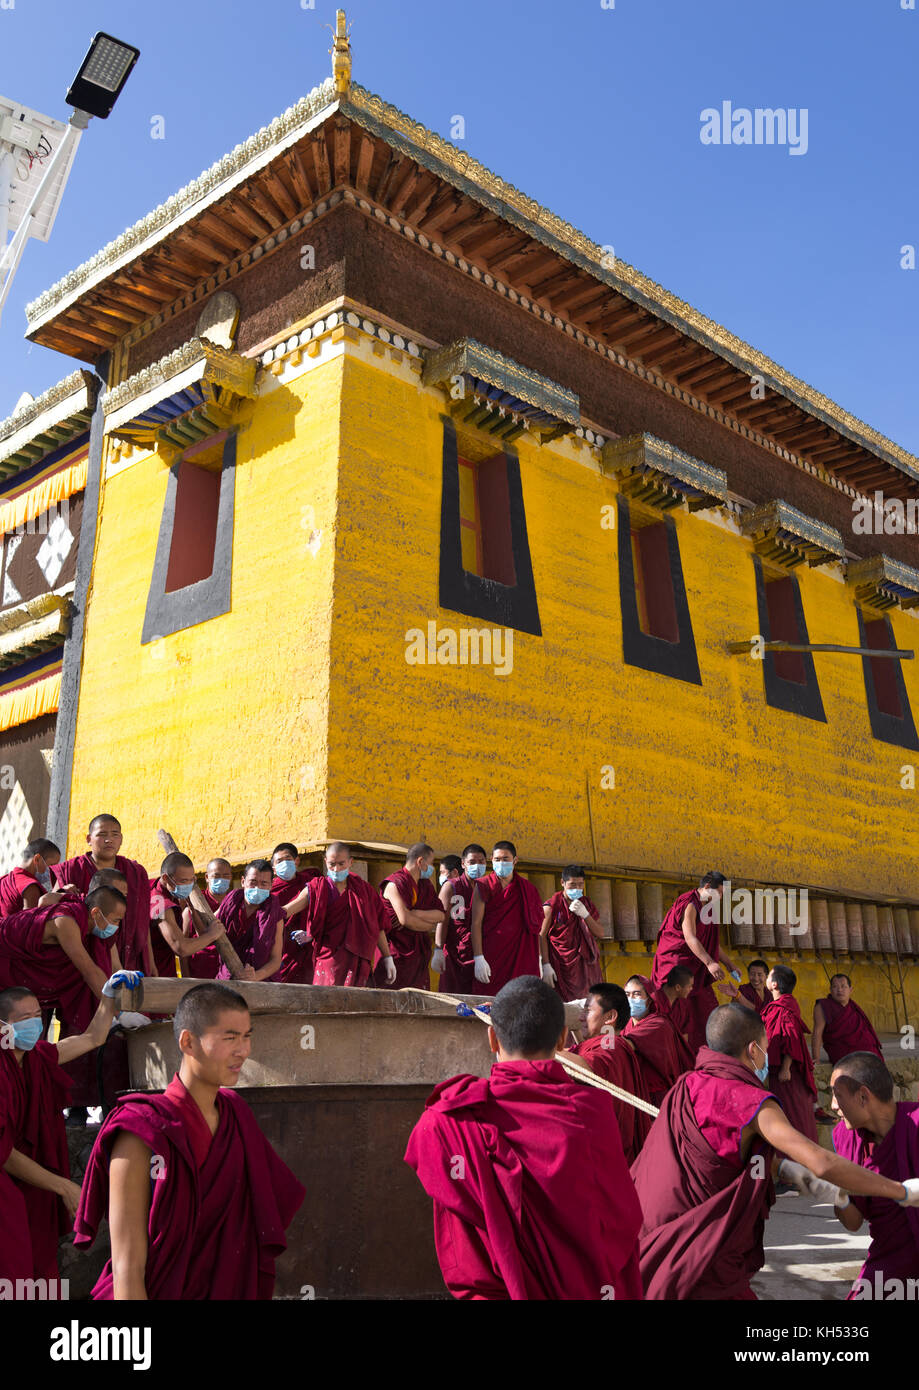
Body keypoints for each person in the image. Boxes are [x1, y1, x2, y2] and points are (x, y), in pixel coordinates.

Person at [632, 1003, 919, 1300]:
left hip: (660, 1237)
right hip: (704, 1251)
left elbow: (724, 1155)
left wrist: (781, 1168)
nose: (832, 1106)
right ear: (753, 1049)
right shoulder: (750, 1101)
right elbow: (820, 1162)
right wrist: (899, 1191)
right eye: (767, 1047)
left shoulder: (685, 1087)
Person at [404, 976, 643, 1299]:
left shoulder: (449, 1121)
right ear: (562, 1040)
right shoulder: (592, 1117)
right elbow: (621, 1227)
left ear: (492, 1038)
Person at [73, 982, 305, 1299]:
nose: (244, 1050)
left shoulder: (236, 1115)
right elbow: (128, 1267)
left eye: (247, 1036)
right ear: (188, 1042)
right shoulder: (140, 1130)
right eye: (230, 1038)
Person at [0, 971, 140, 1278]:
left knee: (40, 1264)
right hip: (8, 1183)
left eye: (38, 1015)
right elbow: (4, 1152)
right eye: (24, 1018)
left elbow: (93, 1038)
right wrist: (63, 1185)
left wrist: (108, 995)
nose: (34, 1024)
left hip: (33, 1181)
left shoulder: (37, 1057)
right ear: (3, 1028)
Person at [830, 1051, 919, 1299]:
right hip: (888, 1261)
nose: (833, 1106)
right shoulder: (845, 1138)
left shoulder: (916, 1123)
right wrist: (836, 1190)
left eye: (837, 1096)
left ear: (862, 1096)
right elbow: (853, 1222)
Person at [650, 872, 740, 1052]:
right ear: (707, 887)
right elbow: (690, 937)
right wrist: (709, 963)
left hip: (696, 970)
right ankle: (676, 1056)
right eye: (719, 893)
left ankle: (705, 1056)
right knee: (678, 1016)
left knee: (706, 1011)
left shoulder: (708, 908)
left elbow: (711, 943)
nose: (720, 898)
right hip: (677, 968)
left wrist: (729, 964)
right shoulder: (689, 904)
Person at [53, 815, 152, 974]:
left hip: (127, 955)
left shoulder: (135, 872)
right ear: (89, 839)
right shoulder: (72, 869)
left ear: (121, 839)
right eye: (102, 835)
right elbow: (52, 911)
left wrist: (150, 962)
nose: (109, 840)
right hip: (82, 954)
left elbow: (142, 920)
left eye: (115, 834)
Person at [567, 981, 653, 1162]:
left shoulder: (611, 1044)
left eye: (588, 1011)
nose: (581, 1017)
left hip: (607, 1157)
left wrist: (531, 1041)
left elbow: (587, 1068)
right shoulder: (600, 1044)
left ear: (610, 1017)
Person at [297, 842, 394, 986]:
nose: (336, 869)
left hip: (357, 961)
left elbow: (377, 925)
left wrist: (387, 957)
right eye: (332, 864)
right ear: (325, 862)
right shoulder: (318, 888)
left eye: (341, 864)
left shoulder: (364, 890)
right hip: (329, 961)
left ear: (350, 862)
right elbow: (288, 909)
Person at [469, 841, 543, 996]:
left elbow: (536, 927)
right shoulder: (483, 885)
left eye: (505, 859)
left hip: (521, 956)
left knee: (521, 1000)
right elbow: (475, 923)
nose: (501, 863)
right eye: (497, 860)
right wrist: (478, 957)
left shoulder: (527, 889)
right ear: (491, 860)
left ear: (515, 860)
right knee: (491, 1001)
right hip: (491, 956)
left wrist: (540, 959)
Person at [374, 842, 445, 989]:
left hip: (419, 956)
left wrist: (416, 913)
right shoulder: (395, 883)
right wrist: (427, 923)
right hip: (397, 953)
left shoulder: (425, 885)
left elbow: (440, 915)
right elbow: (405, 920)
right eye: (430, 864)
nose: (431, 869)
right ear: (420, 862)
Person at [762, 964, 818, 1148]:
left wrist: (786, 1067)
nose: (766, 979)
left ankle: (799, 1161)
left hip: (788, 1073)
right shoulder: (780, 1005)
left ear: (775, 984)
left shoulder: (784, 1008)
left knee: (793, 1115)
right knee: (789, 1113)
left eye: (768, 976)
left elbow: (791, 1037)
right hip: (779, 1071)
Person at [622, 974, 695, 1108]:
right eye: (627, 994)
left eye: (636, 994)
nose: (630, 999)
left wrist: (605, 1025)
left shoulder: (658, 1024)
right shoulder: (625, 1025)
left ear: (649, 1000)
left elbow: (621, 1045)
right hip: (632, 1093)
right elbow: (608, 1046)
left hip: (655, 1098)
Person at [150, 852, 226, 979]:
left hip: (167, 970)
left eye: (192, 880)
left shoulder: (173, 892)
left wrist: (194, 911)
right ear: (165, 878)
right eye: (183, 881)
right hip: (155, 974)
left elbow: (200, 932)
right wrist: (212, 934)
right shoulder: (159, 903)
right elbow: (181, 948)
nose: (188, 886)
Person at [539, 865, 603, 1002]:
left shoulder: (586, 904)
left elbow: (600, 933)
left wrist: (585, 915)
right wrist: (545, 964)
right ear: (562, 883)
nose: (577, 889)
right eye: (572, 885)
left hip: (584, 967)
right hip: (560, 966)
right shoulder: (552, 907)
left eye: (580, 885)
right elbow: (541, 935)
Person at [216, 860, 283, 982]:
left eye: (264, 883)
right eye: (253, 882)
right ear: (243, 881)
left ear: (271, 885)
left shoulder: (273, 912)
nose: (258, 888)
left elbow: (276, 959)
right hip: (228, 975)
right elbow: (209, 928)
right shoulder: (231, 902)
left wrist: (255, 976)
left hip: (261, 982)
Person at [432, 844, 486, 996]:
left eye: (481, 862)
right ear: (463, 864)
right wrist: (438, 950)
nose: (477, 866)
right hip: (454, 954)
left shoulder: (486, 888)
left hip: (478, 954)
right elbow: (442, 920)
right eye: (472, 862)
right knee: (452, 998)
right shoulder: (451, 886)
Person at [269, 843, 319, 984]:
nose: (284, 863)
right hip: (284, 950)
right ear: (273, 869)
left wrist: (311, 931)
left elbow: (322, 912)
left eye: (288, 859)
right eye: (279, 861)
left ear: (296, 861)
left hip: (311, 946)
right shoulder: (269, 891)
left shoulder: (311, 882)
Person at [181, 858, 233, 979]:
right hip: (200, 974)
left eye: (226, 875)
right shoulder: (194, 905)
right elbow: (183, 950)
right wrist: (186, 980)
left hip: (229, 973)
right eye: (216, 875)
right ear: (206, 877)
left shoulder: (236, 903)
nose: (221, 879)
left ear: (231, 877)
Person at [813, 974, 883, 1065]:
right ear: (830, 990)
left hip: (866, 1050)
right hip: (842, 1051)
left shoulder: (853, 1007)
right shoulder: (823, 1006)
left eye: (843, 986)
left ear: (850, 990)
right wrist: (816, 1059)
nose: (839, 990)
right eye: (835, 987)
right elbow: (817, 1032)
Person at [0, 839, 61, 917]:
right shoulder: (30, 887)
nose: (51, 871)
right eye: (51, 865)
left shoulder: (3, 880)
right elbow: (30, 923)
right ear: (37, 859)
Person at [651, 965, 694, 1044]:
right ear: (678, 987)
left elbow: (684, 1036)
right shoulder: (653, 1002)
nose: (691, 989)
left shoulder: (683, 1005)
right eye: (690, 986)